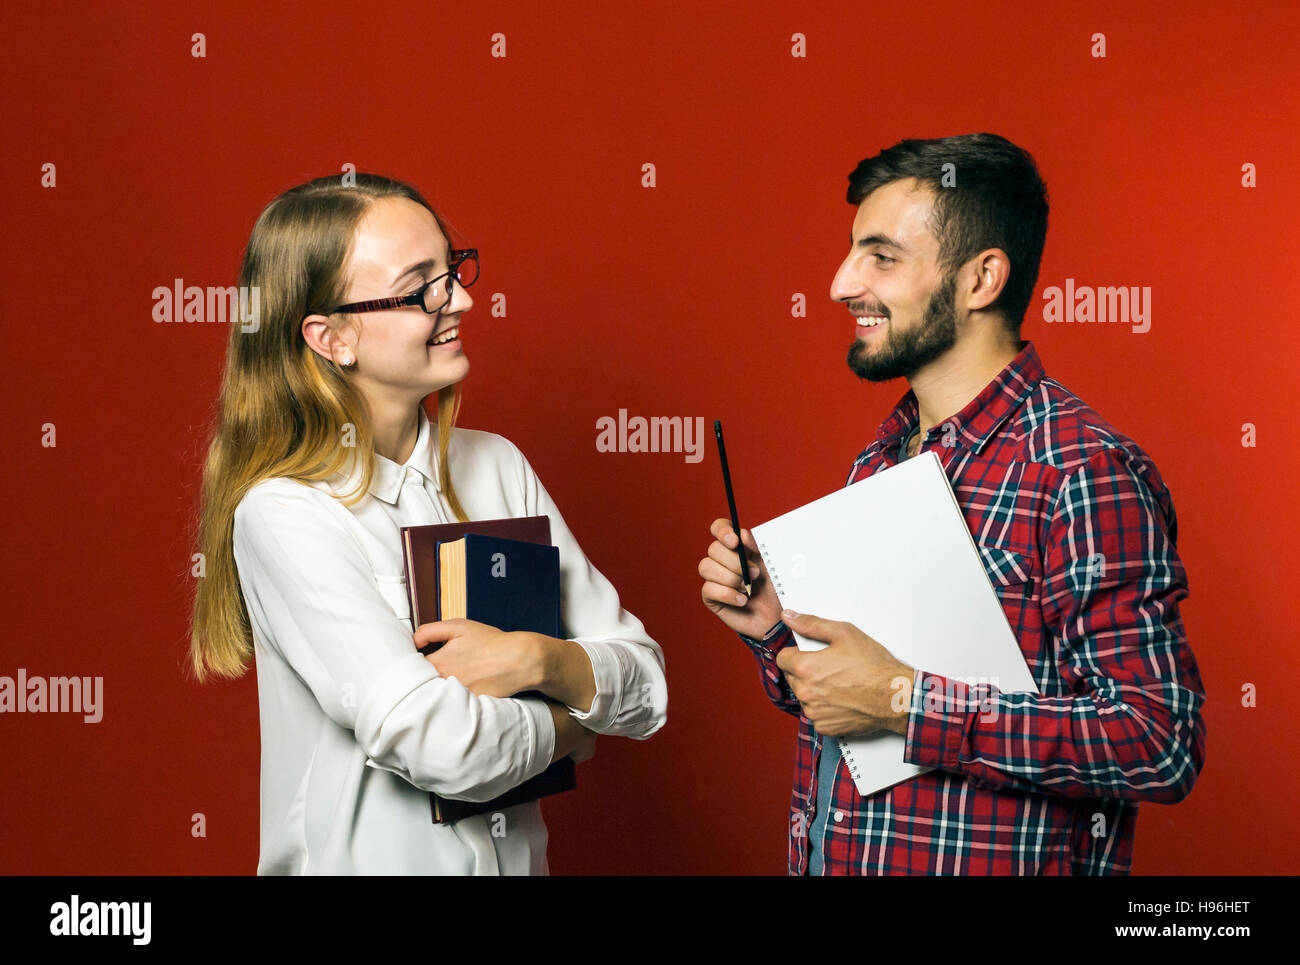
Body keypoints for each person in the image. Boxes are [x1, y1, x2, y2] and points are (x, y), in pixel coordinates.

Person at [699, 133, 1205, 875]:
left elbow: (1157, 739)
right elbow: (856, 707)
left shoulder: (1080, 468)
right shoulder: (883, 456)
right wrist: (778, 630)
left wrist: (909, 703)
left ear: (980, 280)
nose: (841, 283)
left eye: (881, 256)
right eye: (851, 251)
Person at [189, 173, 667, 874]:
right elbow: (445, 748)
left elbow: (648, 685)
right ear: (333, 337)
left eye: (453, 271)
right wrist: (578, 718)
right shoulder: (285, 511)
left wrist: (543, 661)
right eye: (422, 287)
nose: (462, 299)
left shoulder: (497, 466)